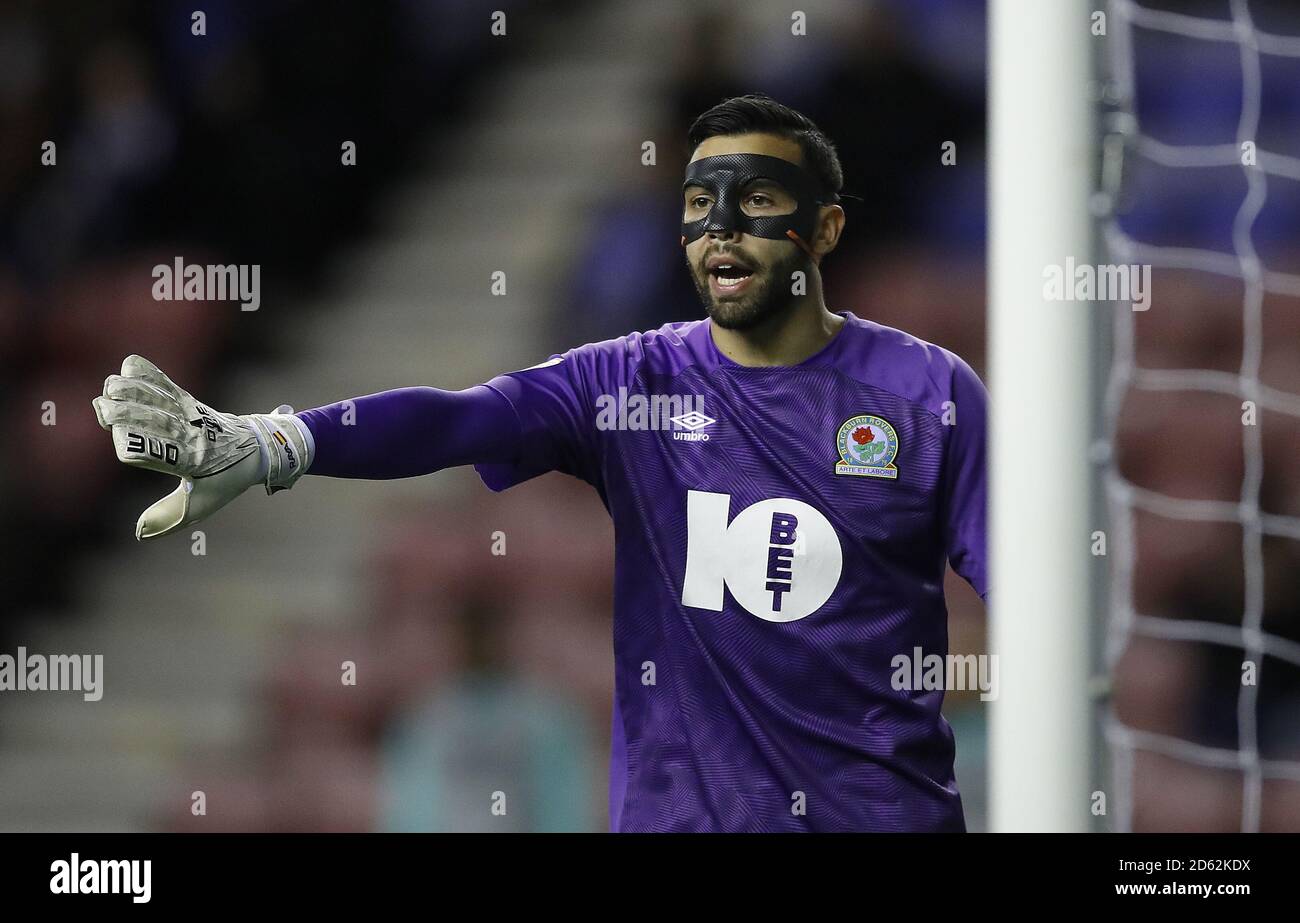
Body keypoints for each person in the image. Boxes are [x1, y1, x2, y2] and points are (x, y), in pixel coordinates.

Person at [93, 94, 988, 832]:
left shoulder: (926, 394)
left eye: (754, 199)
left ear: (825, 228)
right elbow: (459, 420)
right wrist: (278, 441)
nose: (717, 227)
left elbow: (1038, 598)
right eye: (697, 201)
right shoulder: (631, 381)